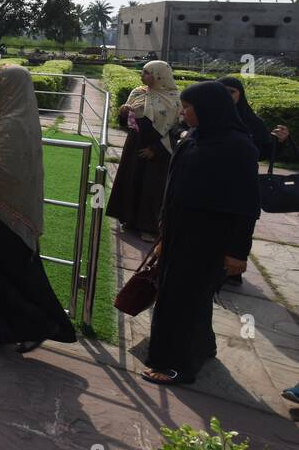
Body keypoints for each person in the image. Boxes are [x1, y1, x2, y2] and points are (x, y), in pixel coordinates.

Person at [140, 81, 260, 385]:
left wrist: (237, 251)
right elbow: (173, 189)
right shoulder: (192, 138)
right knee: (188, 297)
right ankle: (203, 346)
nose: (184, 112)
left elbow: (246, 203)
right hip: (180, 232)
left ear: (208, 109)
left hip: (210, 238)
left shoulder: (238, 146)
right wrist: (164, 232)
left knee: (183, 300)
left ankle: (176, 365)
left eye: (189, 107)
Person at [0, 64, 77, 354]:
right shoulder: (7, 119)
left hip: (1, 217)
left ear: (9, 87)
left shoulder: (14, 125)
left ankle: (34, 326)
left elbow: (9, 173)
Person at [107, 60, 180, 241]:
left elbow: (175, 129)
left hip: (157, 150)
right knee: (131, 179)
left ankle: (148, 227)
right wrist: (123, 113)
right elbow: (127, 121)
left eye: (147, 72)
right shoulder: (138, 92)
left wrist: (155, 149)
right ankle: (129, 219)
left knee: (151, 187)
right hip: (135, 144)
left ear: (159, 75)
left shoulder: (172, 98)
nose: (142, 76)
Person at [218, 76, 292, 161]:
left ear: (240, 94)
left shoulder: (252, 121)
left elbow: (263, 153)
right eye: (221, 91)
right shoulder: (203, 117)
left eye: (231, 92)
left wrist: (279, 141)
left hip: (242, 171)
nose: (226, 95)